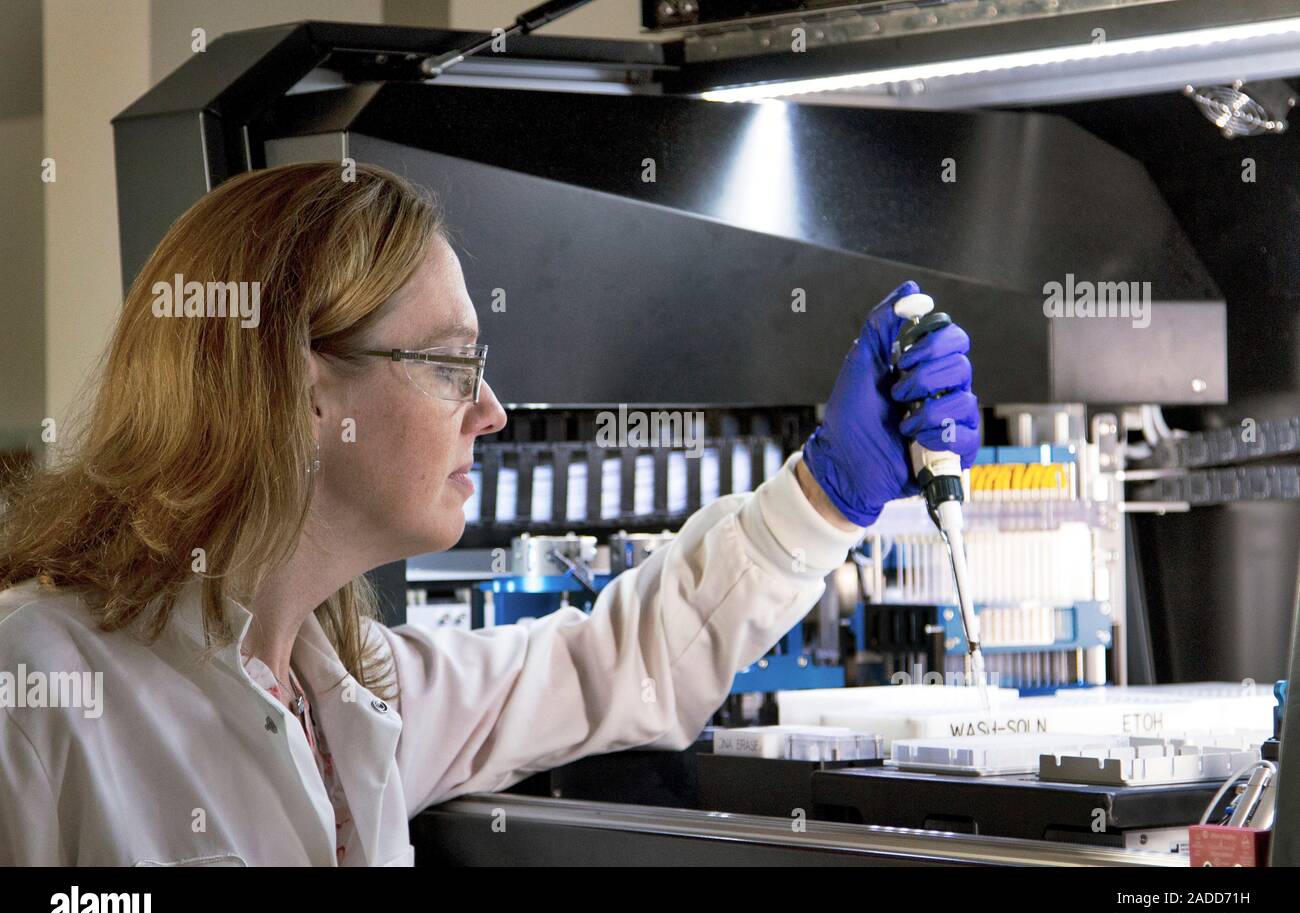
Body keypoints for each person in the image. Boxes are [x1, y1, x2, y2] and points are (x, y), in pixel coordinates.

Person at [0, 163, 977, 866]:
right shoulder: (37, 696)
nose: (492, 410)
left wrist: (826, 494)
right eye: (451, 364)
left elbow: (608, 662)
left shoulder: (350, 691)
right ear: (304, 393)